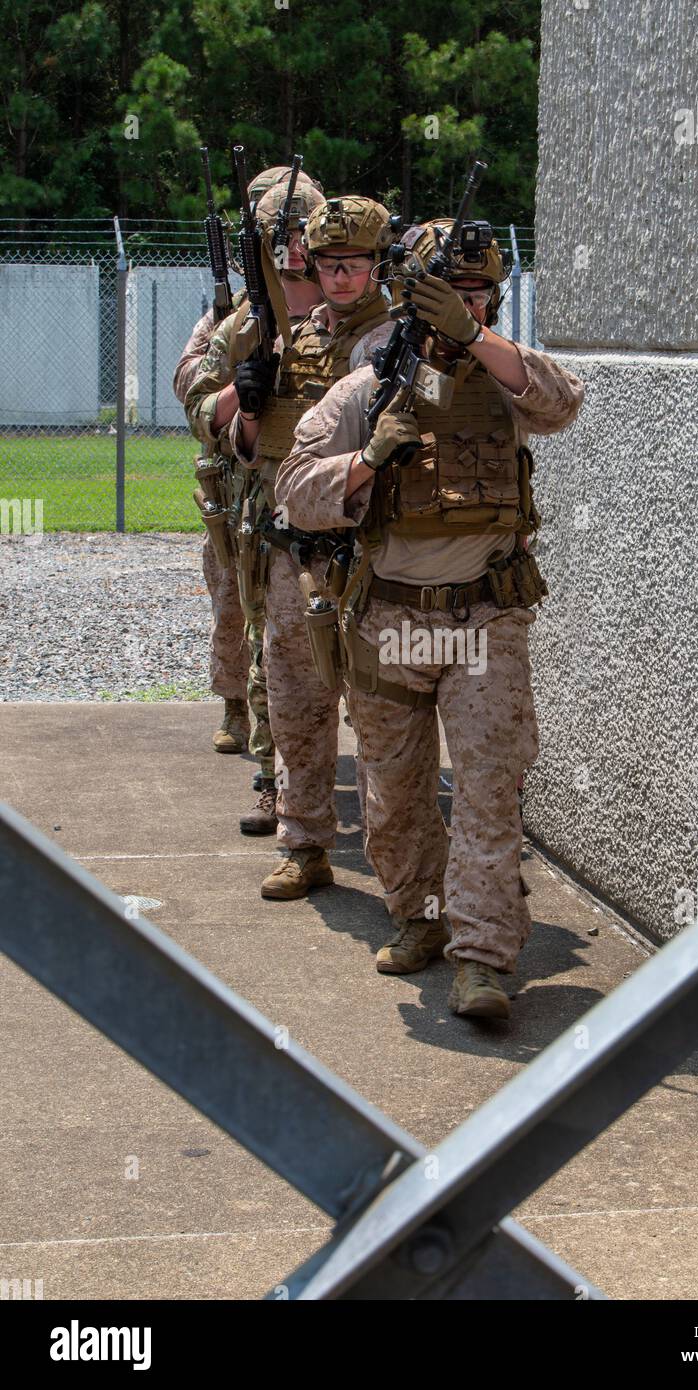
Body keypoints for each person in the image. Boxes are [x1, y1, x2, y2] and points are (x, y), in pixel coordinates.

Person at [275, 219, 584, 1020]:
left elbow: (561, 402)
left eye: (478, 291)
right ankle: (420, 917)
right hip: (389, 621)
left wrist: (473, 336)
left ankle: (482, 959)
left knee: (487, 788)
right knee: (395, 789)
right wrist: (366, 460)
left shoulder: (506, 380)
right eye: (449, 292)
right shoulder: (367, 385)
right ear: (412, 297)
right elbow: (294, 492)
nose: (465, 302)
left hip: (485, 615)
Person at [229, 196, 397, 891]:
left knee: (381, 712)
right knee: (297, 700)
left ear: (377, 266)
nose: (341, 277)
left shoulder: (397, 343)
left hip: (371, 557)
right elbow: (253, 455)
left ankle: (401, 864)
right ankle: (304, 844)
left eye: (354, 265)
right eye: (329, 264)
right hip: (294, 552)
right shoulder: (294, 340)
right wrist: (248, 401)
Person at [184, 173, 326, 833]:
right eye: (281, 238)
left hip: (340, 499)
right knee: (267, 632)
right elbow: (200, 396)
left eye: (305, 235)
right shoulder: (241, 321)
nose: (294, 250)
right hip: (260, 494)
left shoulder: (354, 312)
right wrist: (245, 391)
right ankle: (272, 772)